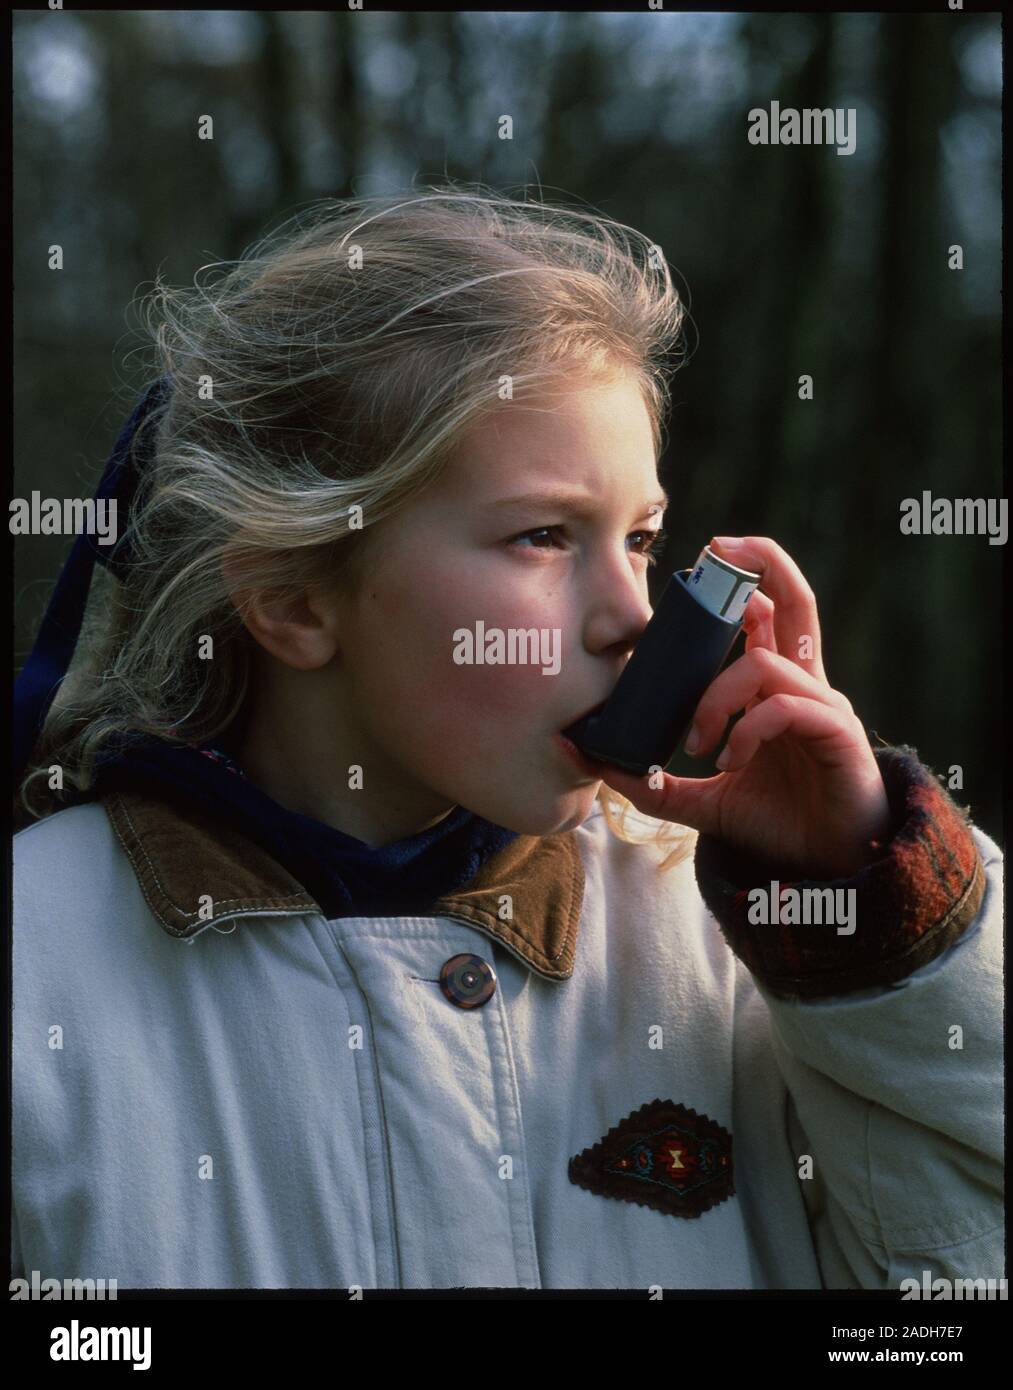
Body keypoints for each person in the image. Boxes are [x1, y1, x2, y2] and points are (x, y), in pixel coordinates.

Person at [11, 185, 1002, 1292]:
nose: (631, 612)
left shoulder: (728, 943)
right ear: (294, 597)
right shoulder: (37, 962)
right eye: (541, 535)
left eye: (638, 537)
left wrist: (865, 913)